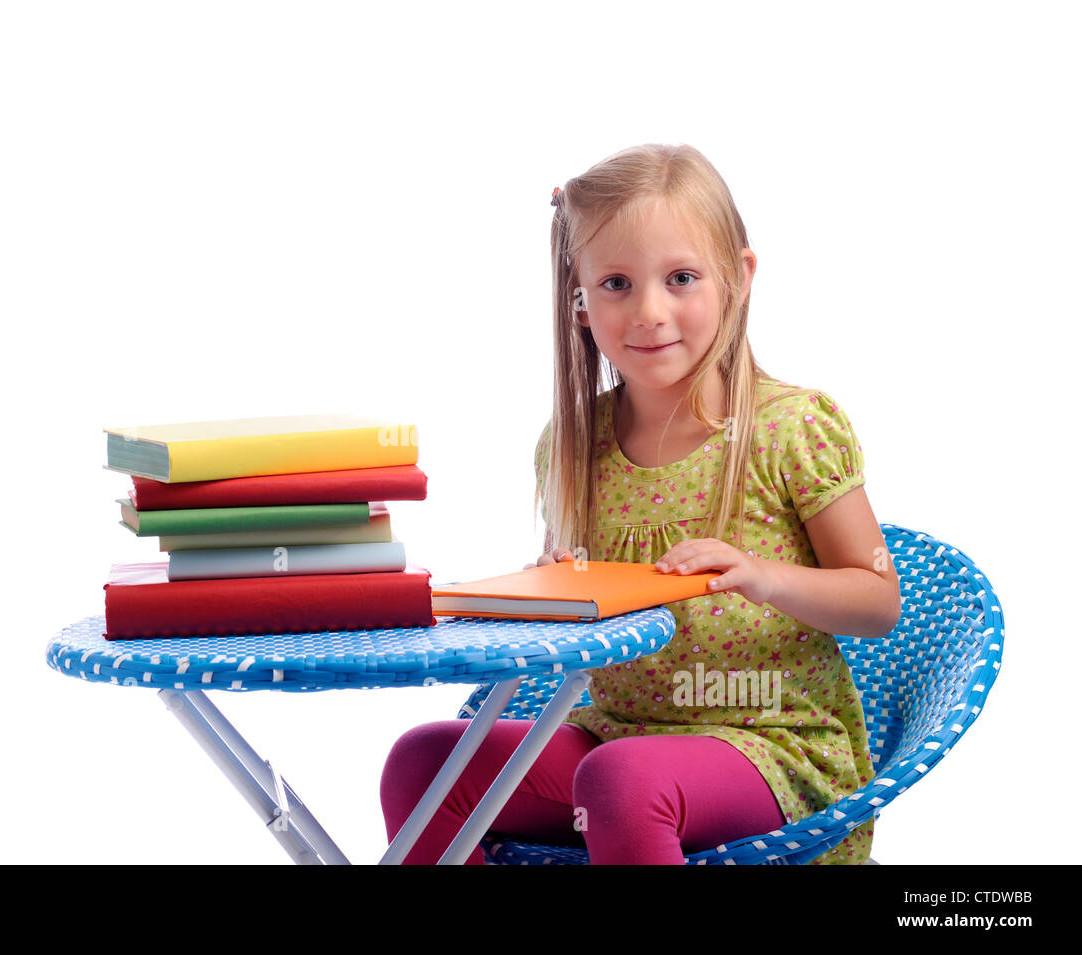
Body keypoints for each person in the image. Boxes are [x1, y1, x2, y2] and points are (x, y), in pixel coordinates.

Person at [380, 142, 901, 865]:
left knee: (622, 781)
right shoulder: (574, 443)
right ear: (581, 299)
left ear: (738, 277)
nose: (650, 311)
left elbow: (878, 598)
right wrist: (557, 581)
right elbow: (588, 599)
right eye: (617, 282)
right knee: (424, 763)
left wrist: (761, 573)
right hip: (616, 730)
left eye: (681, 277)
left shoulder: (792, 428)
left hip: (771, 746)